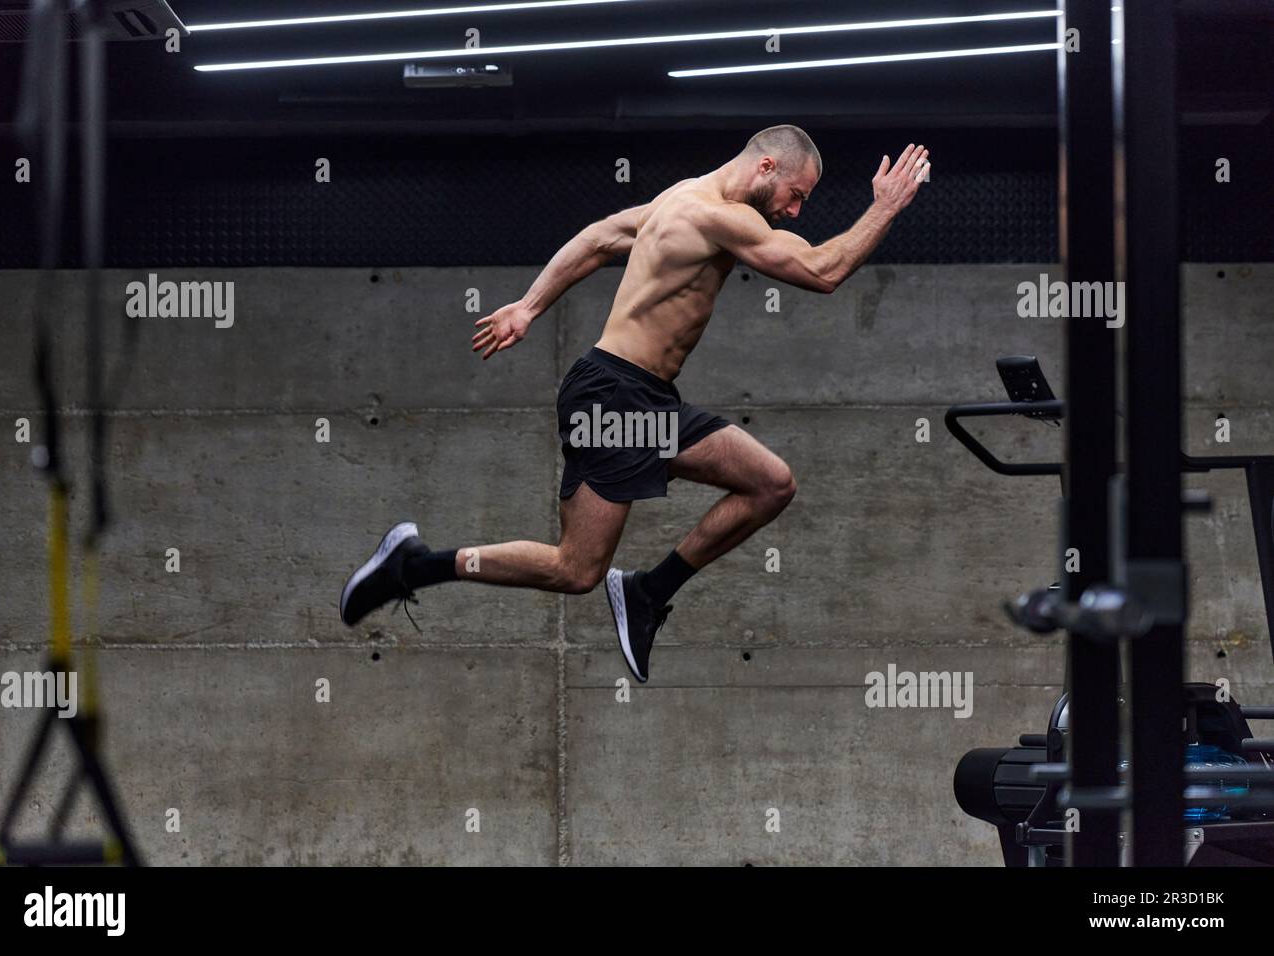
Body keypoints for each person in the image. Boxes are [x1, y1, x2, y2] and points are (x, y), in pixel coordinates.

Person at [340, 126, 930, 683]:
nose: (795, 210)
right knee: (576, 570)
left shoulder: (677, 200)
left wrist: (528, 305)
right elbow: (823, 271)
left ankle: (648, 591)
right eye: (795, 195)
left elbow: (598, 238)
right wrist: (885, 207)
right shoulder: (717, 215)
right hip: (614, 398)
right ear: (766, 166)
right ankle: (415, 565)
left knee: (771, 483)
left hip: (642, 401)